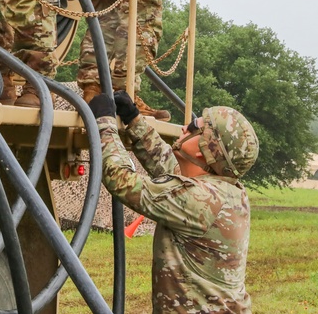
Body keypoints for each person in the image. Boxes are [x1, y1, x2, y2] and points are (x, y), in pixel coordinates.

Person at [88, 91, 259, 313]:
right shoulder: (225, 191)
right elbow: (170, 169)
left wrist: (104, 123)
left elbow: (122, 180)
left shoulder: (202, 200)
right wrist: (133, 119)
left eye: (194, 127)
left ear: (205, 149)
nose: (184, 128)